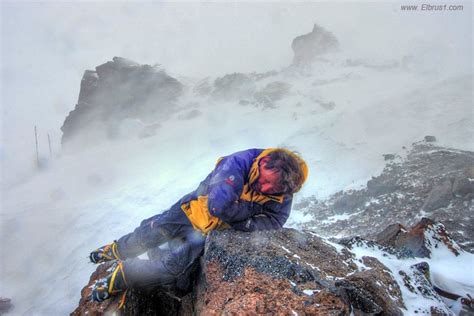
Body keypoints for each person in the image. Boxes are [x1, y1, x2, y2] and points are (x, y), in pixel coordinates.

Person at [88, 148, 308, 304]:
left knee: (173, 268)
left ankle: (123, 275)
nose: (265, 188)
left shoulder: (283, 191)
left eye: (272, 188)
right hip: (189, 211)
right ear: (263, 162)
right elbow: (218, 207)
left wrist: (244, 216)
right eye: (264, 180)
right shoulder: (237, 163)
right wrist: (251, 210)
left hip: (210, 232)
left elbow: (275, 221)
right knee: (148, 236)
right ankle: (115, 250)